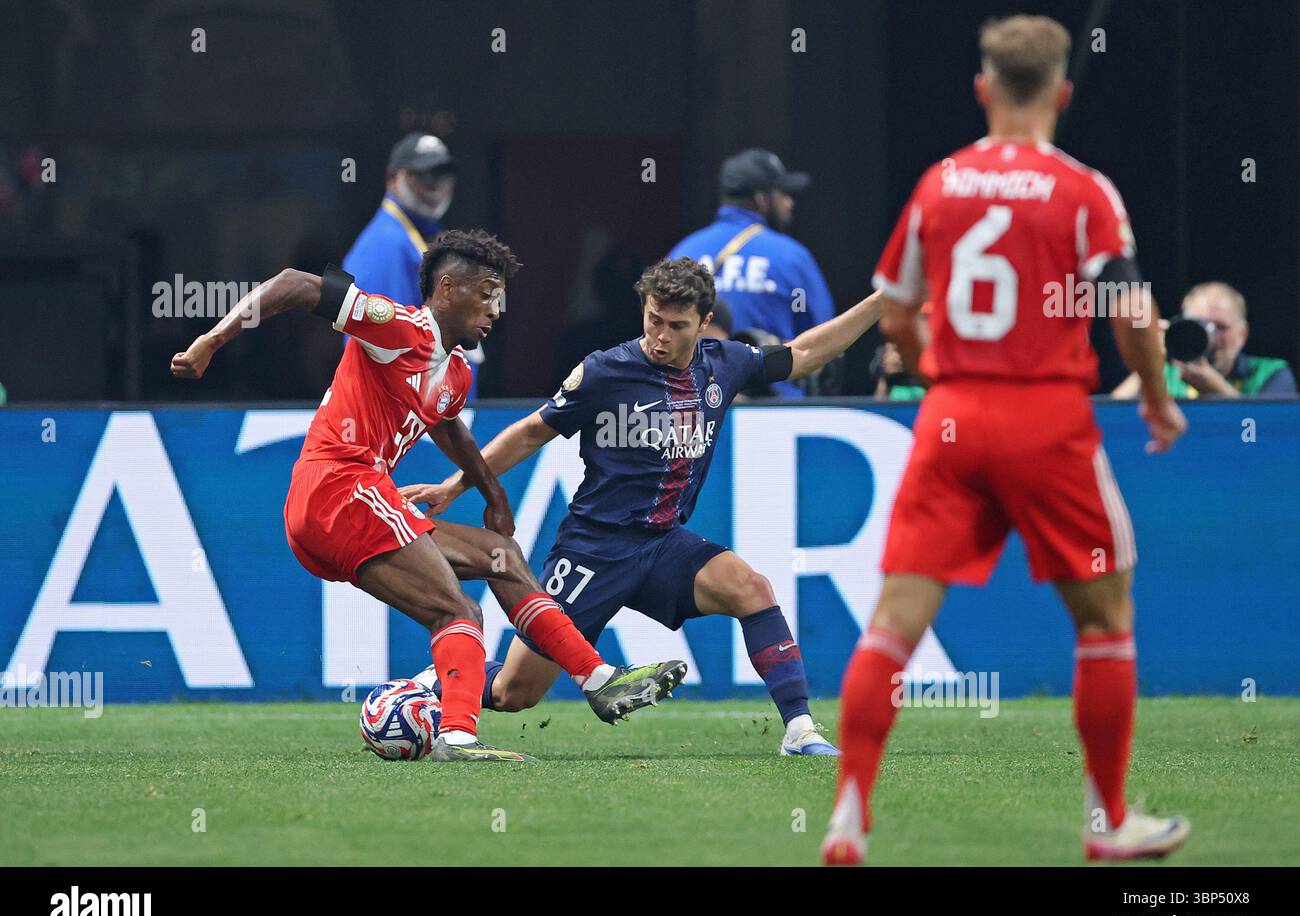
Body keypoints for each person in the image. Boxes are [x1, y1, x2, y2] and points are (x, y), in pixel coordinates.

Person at [823, 15, 1191, 864]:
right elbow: (1132, 312)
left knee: (892, 625)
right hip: (1045, 417)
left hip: (952, 417)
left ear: (984, 89)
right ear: (1062, 93)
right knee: (1105, 617)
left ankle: (848, 816)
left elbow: (900, 312)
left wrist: (936, 372)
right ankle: (1108, 825)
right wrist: (1161, 400)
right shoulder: (1084, 190)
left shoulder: (939, 185)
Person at [169, 230, 687, 762]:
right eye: (485, 293)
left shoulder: (455, 371)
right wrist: (211, 341)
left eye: (499, 296)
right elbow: (294, 284)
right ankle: (457, 736)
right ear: (445, 289)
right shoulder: (398, 328)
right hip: (338, 487)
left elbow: (447, 426)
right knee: (457, 611)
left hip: (350, 502)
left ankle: (597, 677)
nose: (495, 309)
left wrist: (492, 492)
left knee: (501, 557)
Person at [403, 257, 884, 756]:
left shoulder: (726, 363)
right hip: (593, 550)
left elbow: (804, 352)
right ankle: (429, 685)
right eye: (654, 319)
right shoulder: (604, 371)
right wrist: (457, 485)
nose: (660, 335)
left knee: (751, 589)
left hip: (663, 544)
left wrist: (880, 302)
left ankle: (800, 730)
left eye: (677, 326)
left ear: (702, 323)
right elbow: (530, 432)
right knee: (514, 693)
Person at [668, 148, 835, 396]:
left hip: (695, 410)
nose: (790, 203)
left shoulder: (682, 253)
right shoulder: (791, 257)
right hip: (774, 413)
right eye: (784, 194)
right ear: (762, 199)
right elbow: (827, 340)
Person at [343, 133, 485, 396]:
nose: (434, 186)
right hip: (407, 423)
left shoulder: (418, 238)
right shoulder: (385, 246)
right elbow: (385, 350)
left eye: (443, 176)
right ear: (392, 178)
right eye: (421, 176)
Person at [1112, 282, 1296, 398]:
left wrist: (1213, 387)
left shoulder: (1271, 373)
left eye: (1221, 327)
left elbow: (1269, 436)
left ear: (1242, 334)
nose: (1212, 338)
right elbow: (1108, 419)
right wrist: (1149, 362)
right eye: (1200, 326)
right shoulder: (1164, 374)